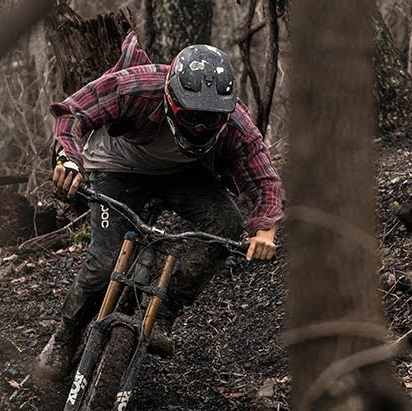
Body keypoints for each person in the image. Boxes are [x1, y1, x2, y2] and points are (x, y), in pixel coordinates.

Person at [35, 30, 282, 380]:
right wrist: (69, 158)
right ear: (170, 99)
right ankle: (66, 335)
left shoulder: (236, 122)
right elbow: (72, 112)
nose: (200, 128)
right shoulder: (137, 87)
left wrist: (265, 228)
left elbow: (264, 179)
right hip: (117, 165)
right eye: (191, 118)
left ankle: (163, 311)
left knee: (227, 225)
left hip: (184, 173)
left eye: (211, 121)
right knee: (105, 262)